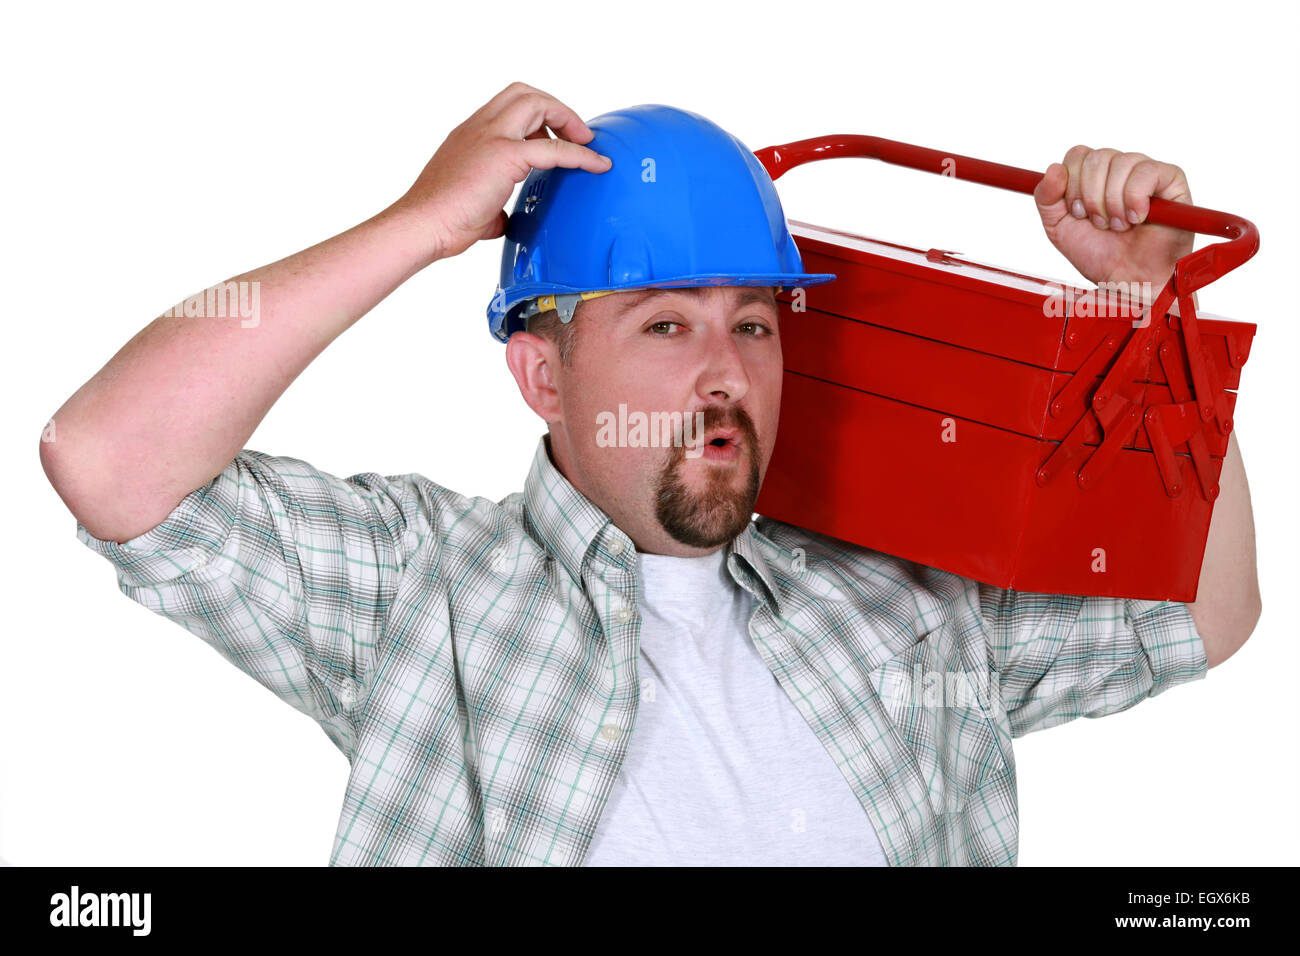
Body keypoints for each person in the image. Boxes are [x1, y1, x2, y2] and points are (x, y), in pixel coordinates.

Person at [40, 81, 1260, 866]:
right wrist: (421, 222)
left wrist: (1142, 310)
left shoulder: (909, 609)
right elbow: (107, 455)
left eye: (755, 324)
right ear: (543, 375)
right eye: (664, 326)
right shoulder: (422, 593)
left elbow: (1201, 610)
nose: (724, 371)